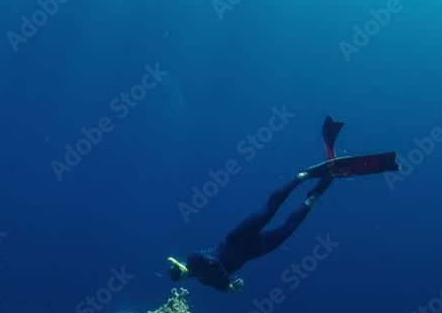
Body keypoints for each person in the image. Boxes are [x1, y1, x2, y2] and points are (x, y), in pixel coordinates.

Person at [167, 116, 399, 293]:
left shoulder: (195, 258)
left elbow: (215, 264)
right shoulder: (205, 281)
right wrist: (230, 288)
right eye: (180, 276)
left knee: (269, 209)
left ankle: (302, 176)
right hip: (252, 251)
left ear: (180, 264)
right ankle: (312, 199)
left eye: (178, 271)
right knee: (287, 231)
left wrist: (227, 285)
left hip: (236, 239)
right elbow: (224, 283)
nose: (182, 274)